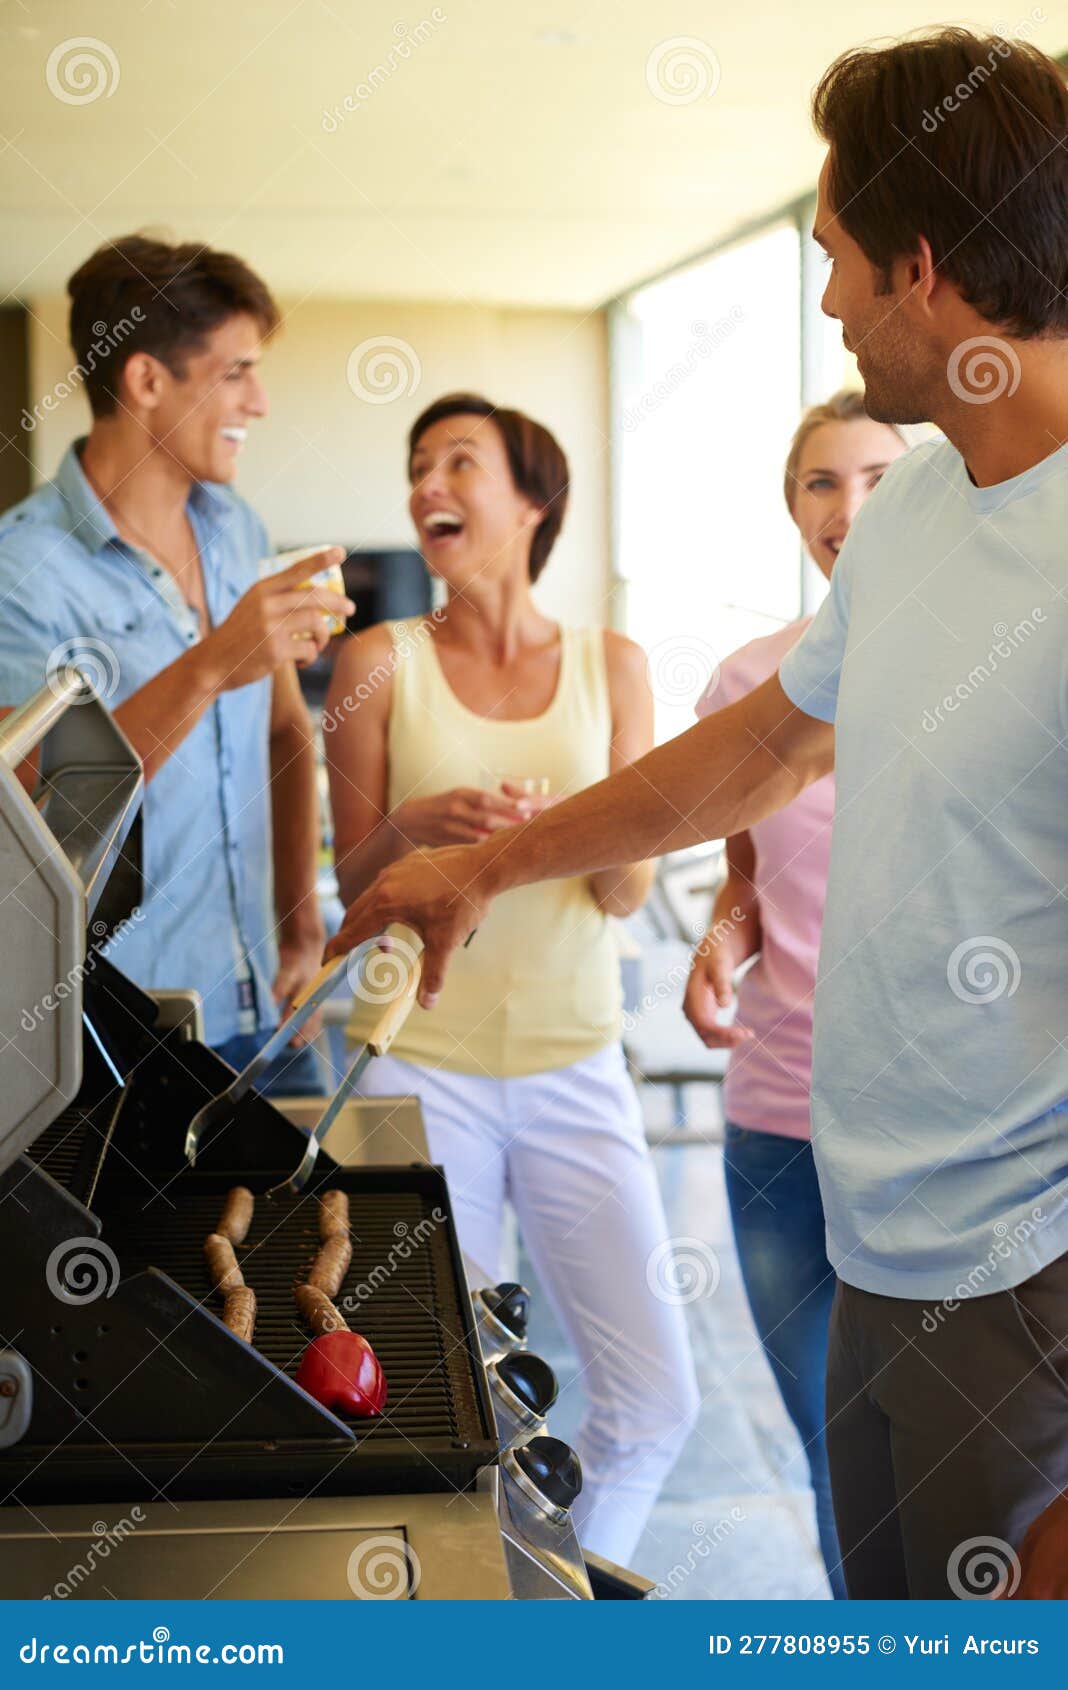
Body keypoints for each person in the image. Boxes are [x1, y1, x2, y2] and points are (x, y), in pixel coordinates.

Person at [326, 30, 1068, 1599]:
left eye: (839, 263)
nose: (826, 304)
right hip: (880, 1244)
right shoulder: (926, 502)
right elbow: (762, 751)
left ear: (923, 267)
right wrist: (487, 863)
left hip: (1027, 1292)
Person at [324, 392, 699, 1564]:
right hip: (419, 1073)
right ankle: (483, 1621)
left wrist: (571, 833)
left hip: (577, 1061)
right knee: (453, 1401)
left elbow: (628, 893)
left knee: (655, 1399)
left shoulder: (613, 664)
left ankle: (552, 1610)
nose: (428, 483)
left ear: (533, 501)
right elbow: (352, 883)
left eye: (460, 462)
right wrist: (424, 824)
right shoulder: (376, 662)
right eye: (417, 463)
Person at [0, 236, 351, 1093]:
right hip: (125, 1034)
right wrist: (207, 667)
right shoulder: (21, 568)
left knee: (313, 1228)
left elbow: (282, 732)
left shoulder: (236, 529)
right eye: (235, 372)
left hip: (274, 1010)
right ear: (148, 382)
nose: (259, 401)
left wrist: (302, 924)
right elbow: (32, 812)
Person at [684, 392, 908, 1599]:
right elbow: (744, 872)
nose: (848, 506)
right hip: (774, 1125)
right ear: (792, 508)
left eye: (878, 476)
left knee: (932, 1455)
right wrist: (717, 943)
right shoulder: (749, 680)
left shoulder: (984, 669)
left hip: (927, 1138)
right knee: (834, 1451)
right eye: (822, 482)